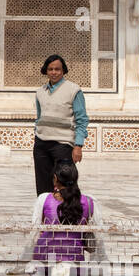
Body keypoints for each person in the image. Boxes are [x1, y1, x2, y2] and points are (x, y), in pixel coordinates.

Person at [29, 159, 102, 265]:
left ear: (55, 178)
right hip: (75, 264)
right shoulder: (90, 202)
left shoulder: (43, 199)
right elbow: (99, 236)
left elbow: (34, 231)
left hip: (43, 262)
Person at [33, 55, 89, 195]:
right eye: (50, 69)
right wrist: (37, 133)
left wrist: (78, 146)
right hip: (41, 145)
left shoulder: (73, 90)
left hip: (63, 145)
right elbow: (39, 117)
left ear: (63, 70)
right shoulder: (40, 92)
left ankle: (67, 215)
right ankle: (46, 215)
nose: (54, 72)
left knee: (66, 185)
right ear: (46, 71)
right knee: (43, 187)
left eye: (57, 69)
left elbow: (82, 119)